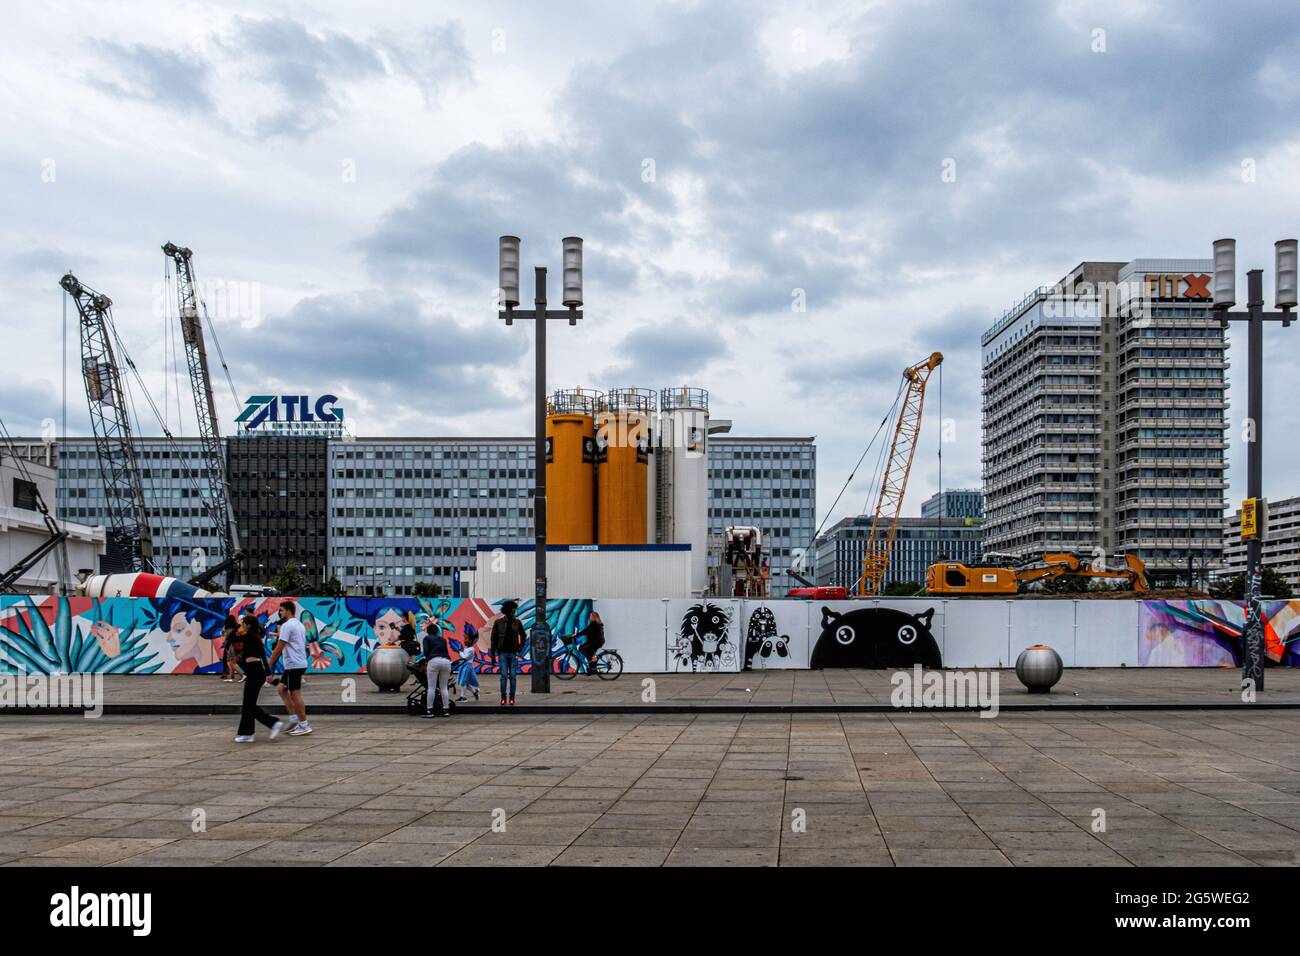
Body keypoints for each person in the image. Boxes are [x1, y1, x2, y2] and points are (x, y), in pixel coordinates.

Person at [267, 601, 316, 737]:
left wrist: (269, 664)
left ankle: (304, 725)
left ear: (288, 611)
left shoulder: (287, 626)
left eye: (281, 610)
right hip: (295, 664)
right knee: (281, 689)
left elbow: (279, 647)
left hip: (294, 664)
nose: (280, 612)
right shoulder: (298, 624)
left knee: (295, 694)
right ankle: (294, 719)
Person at [234, 613, 283, 743]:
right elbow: (264, 658)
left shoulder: (251, 637)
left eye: (243, 624)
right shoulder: (253, 637)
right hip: (254, 673)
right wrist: (268, 674)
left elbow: (231, 638)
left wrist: (268, 674)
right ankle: (248, 733)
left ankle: (271, 724)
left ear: (248, 625)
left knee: (248, 704)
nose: (241, 626)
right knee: (248, 704)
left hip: (256, 673)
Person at [490, 600, 526, 706]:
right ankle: (503, 697)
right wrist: (493, 655)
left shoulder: (517, 622)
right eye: (512, 610)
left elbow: (523, 635)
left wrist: (520, 648)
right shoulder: (498, 622)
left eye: (514, 610)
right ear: (507, 610)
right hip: (502, 653)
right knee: (503, 675)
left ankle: (512, 698)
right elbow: (493, 639)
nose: (514, 612)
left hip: (513, 652)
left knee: (513, 676)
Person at [422, 619, 453, 719]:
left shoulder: (426, 639)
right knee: (444, 687)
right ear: (437, 631)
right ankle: (446, 710)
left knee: (431, 687)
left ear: (428, 631)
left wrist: (426, 661)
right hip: (446, 661)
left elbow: (426, 652)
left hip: (434, 660)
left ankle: (429, 710)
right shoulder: (442, 639)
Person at [455, 621, 480, 703]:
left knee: (463, 682)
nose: (464, 640)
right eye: (464, 638)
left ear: (471, 641)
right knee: (465, 682)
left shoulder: (471, 649)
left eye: (466, 639)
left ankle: (463, 697)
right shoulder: (466, 649)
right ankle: (475, 692)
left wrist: (460, 652)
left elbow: (465, 658)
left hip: (467, 667)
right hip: (463, 666)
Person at [221, 615, 243, 683]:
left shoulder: (227, 629)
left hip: (230, 646)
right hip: (236, 645)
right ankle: (231, 677)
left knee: (231, 662)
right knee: (232, 662)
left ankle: (242, 676)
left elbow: (224, 636)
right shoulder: (236, 627)